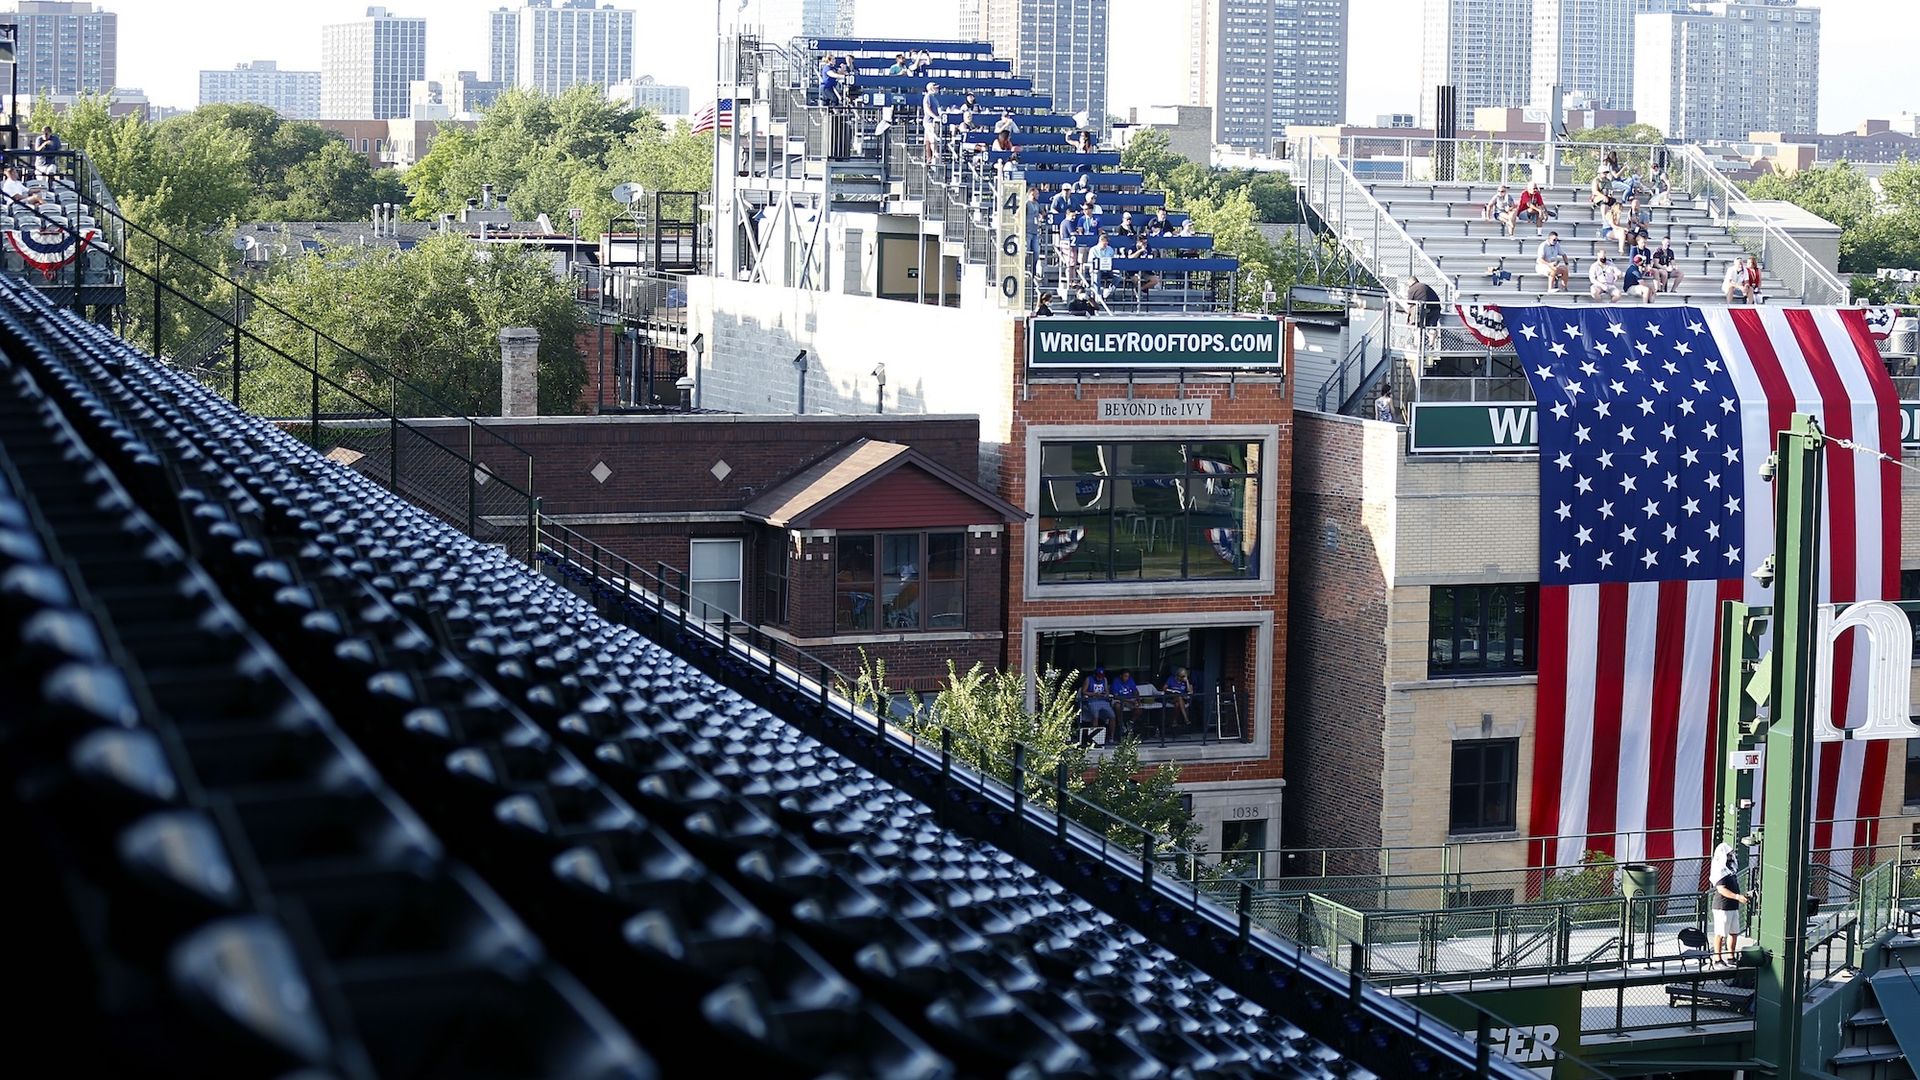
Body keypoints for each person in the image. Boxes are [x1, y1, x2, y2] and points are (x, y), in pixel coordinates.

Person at [1709, 843, 1750, 965]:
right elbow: (1721, 889)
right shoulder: (1719, 869)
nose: (1731, 856)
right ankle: (1717, 958)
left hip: (1733, 906)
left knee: (1733, 932)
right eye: (1728, 854)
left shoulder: (1730, 869)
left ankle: (1731, 957)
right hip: (1723, 906)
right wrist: (1737, 896)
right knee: (1721, 933)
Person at [1405, 276, 1440, 350]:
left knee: (1416, 327)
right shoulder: (1425, 286)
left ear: (1410, 282)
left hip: (1421, 309)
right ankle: (1431, 345)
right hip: (1435, 308)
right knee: (1432, 327)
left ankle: (1416, 345)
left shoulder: (1411, 289)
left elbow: (1409, 303)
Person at [1081, 667, 1115, 732]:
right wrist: (1094, 694)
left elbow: (1107, 691)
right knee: (1095, 716)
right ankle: (1095, 737)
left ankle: (1111, 738)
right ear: (1095, 674)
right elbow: (1083, 691)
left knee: (1112, 716)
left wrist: (1105, 694)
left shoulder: (1104, 679)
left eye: (1101, 676)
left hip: (1103, 700)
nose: (1100, 678)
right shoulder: (1088, 679)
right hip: (1092, 701)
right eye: (1099, 676)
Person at [1111, 669, 1141, 735]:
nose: (1126, 678)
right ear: (1121, 676)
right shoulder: (1116, 681)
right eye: (1125, 676)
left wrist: (1138, 700)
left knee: (1138, 710)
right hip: (1119, 699)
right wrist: (1129, 701)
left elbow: (1135, 691)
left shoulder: (1130, 680)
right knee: (1118, 706)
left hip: (1129, 699)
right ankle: (1121, 724)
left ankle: (1130, 723)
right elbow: (1116, 696)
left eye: (1128, 676)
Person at [1089, 231, 1116, 298]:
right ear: (1100, 241)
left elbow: (1113, 259)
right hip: (1096, 269)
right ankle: (1097, 295)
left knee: (1118, 275)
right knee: (1096, 273)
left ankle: (1109, 290)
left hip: (1108, 269)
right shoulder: (1093, 249)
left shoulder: (1110, 249)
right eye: (1105, 241)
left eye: (1107, 242)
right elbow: (1090, 261)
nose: (1106, 243)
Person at [921, 81, 942, 165]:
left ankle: (929, 157)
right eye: (935, 87)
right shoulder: (928, 97)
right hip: (929, 121)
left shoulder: (934, 98)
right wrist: (935, 117)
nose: (937, 89)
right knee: (932, 137)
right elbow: (927, 109)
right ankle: (935, 154)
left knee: (928, 140)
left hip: (932, 121)